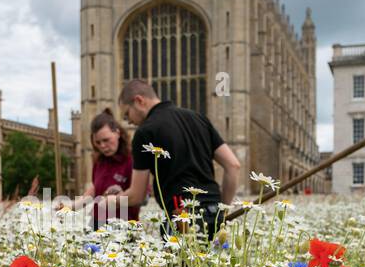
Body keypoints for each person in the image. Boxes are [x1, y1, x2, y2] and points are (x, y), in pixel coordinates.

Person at [112, 78, 240, 241]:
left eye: (126, 114)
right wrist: (222, 210)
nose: (128, 121)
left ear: (139, 101)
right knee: (217, 266)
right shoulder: (198, 118)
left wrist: (112, 200)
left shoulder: (145, 133)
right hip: (215, 216)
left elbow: (137, 195)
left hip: (182, 220)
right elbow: (233, 165)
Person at [74, 109, 140, 229]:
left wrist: (119, 197)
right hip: (97, 222)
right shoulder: (98, 161)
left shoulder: (132, 161)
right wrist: (72, 206)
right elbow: (94, 188)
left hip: (123, 226)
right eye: (97, 142)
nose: (102, 146)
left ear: (118, 133)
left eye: (106, 140)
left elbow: (142, 196)